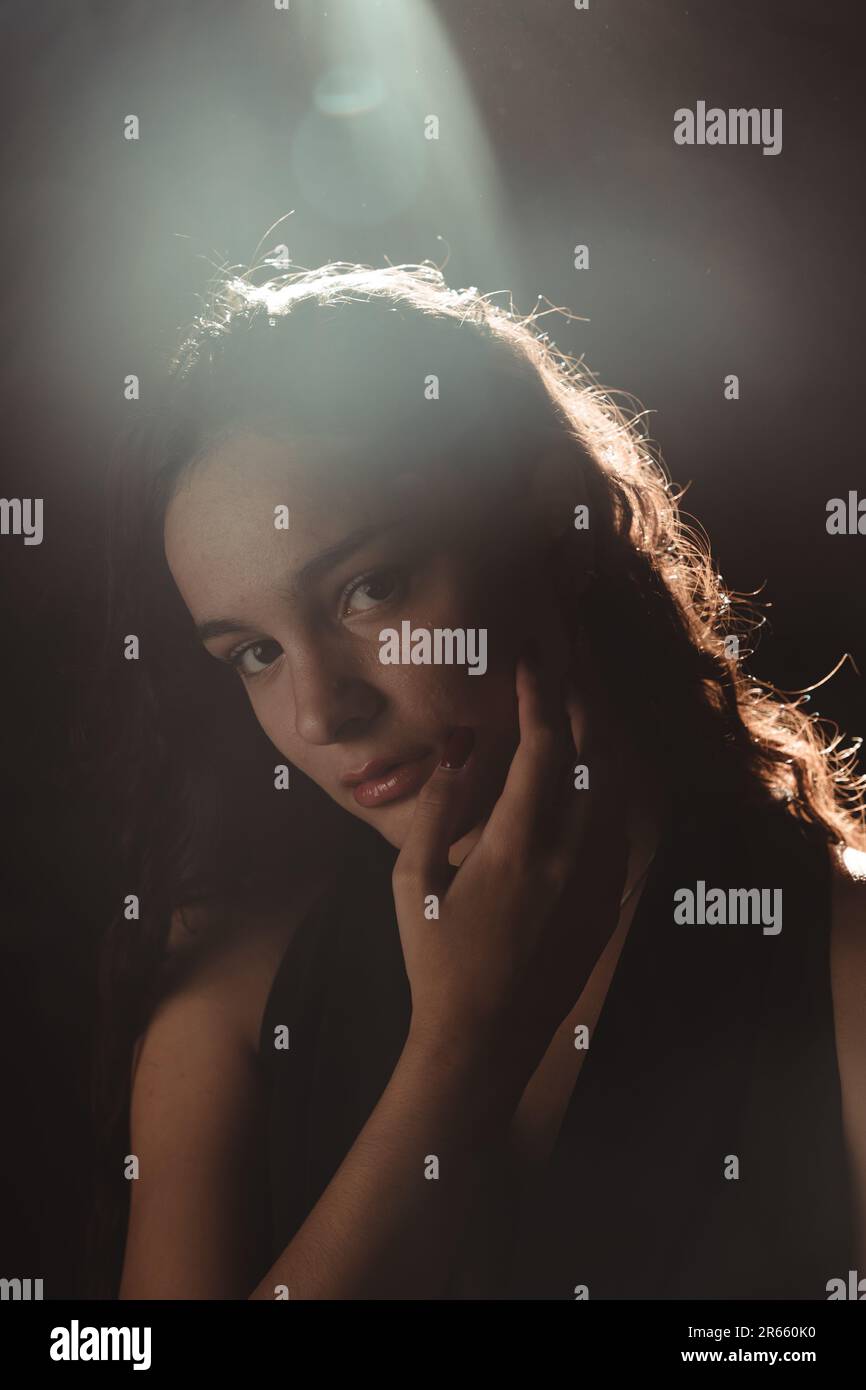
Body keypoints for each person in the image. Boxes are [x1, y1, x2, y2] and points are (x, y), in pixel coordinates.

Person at [85, 260, 866, 1300]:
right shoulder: (233, 991)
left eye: (368, 588)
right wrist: (458, 1058)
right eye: (254, 653)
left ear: (556, 521)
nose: (320, 714)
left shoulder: (836, 975)